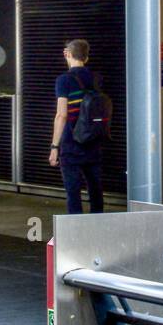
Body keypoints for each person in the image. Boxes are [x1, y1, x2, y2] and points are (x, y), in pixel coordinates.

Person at [50, 39, 104, 214]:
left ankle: (76, 235)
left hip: (71, 143)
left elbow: (62, 114)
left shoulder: (64, 80)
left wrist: (54, 147)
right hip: (94, 140)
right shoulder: (96, 78)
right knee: (95, 190)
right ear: (86, 57)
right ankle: (98, 227)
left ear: (67, 54)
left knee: (73, 192)